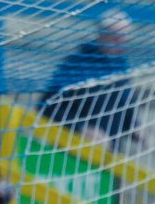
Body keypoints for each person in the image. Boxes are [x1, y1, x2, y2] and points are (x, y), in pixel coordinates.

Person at [41, 10, 140, 144]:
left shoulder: (121, 65)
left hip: (111, 152)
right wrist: (82, 129)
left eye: (124, 38)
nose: (121, 44)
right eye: (116, 38)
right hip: (74, 149)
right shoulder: (77, 64)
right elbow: (48, 105)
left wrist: (135, 125)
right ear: (101, 35)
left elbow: (125, 105)